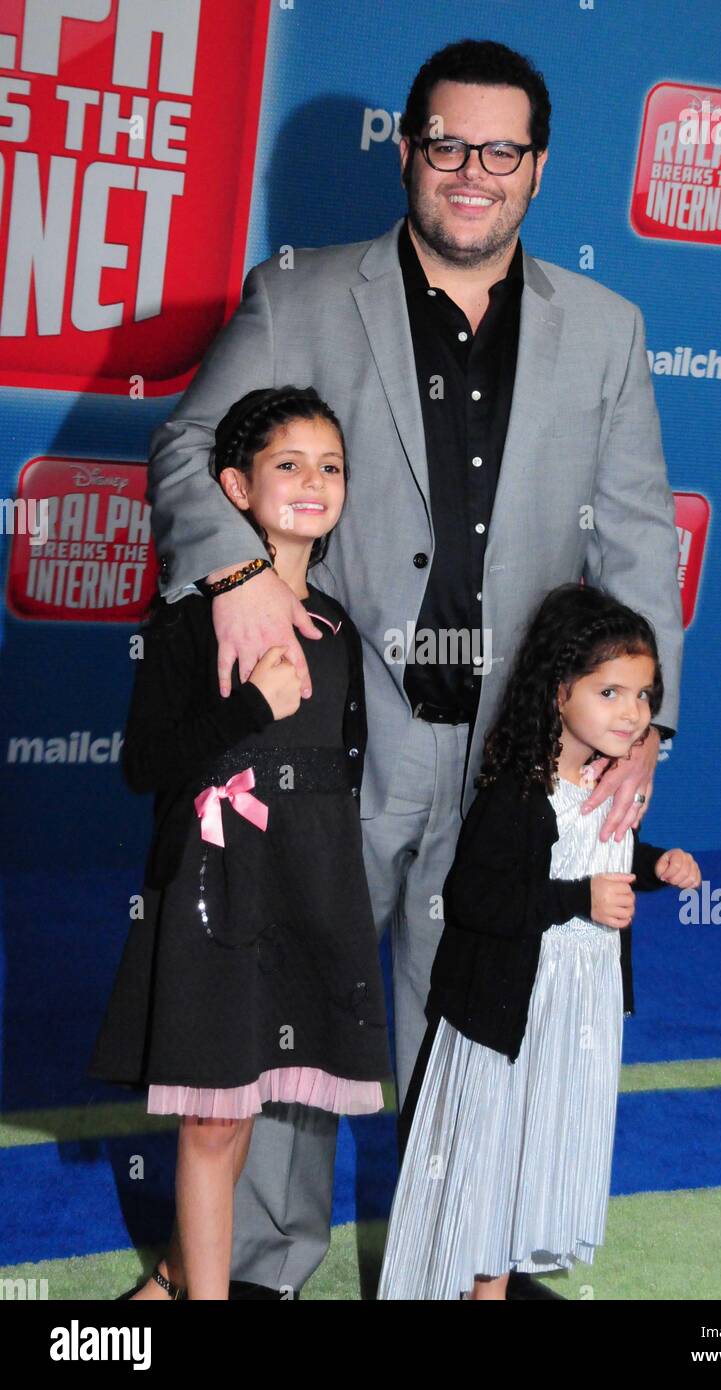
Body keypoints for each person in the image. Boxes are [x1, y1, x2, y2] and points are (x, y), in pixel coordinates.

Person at [147, 39, 684, 1298]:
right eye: (448, 143)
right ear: (410, 149)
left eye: (502, 151)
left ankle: (459, 1262)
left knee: (487, 1011)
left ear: (540, 170)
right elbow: (184, 450)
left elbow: (644, 539)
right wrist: (232, 580)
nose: (473, 172)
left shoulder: (606, 332)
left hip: (517, 751)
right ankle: (262, 1267)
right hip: (338, 741)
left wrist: (646, 727)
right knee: (293, 1010)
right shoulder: (301, 296)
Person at [89, 387, 391, 1300]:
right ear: (233, 487)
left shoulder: (339, 627)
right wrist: (252, 705)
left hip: (306, 888)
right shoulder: (188, 617)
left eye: (330, 467)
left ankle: (178, 1275)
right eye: (287, 465)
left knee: (254, 1095)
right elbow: (145, 766)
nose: (313, 483)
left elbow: (343, 765)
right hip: (215, 892)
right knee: (213, 1119)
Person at [378, 584, 700, 1300]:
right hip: (506, 1022)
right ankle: (477, 1287)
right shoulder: (518, 794)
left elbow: (603, 852)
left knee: (529, 1162)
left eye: (645, 697)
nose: (634, 713)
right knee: (485, 1171)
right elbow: (475, 898)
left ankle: (494, 1285)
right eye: (611, 691)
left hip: (569, 1019)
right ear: (559, 692)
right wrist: (577, 899)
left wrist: (653, 865)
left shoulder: (605, 783)